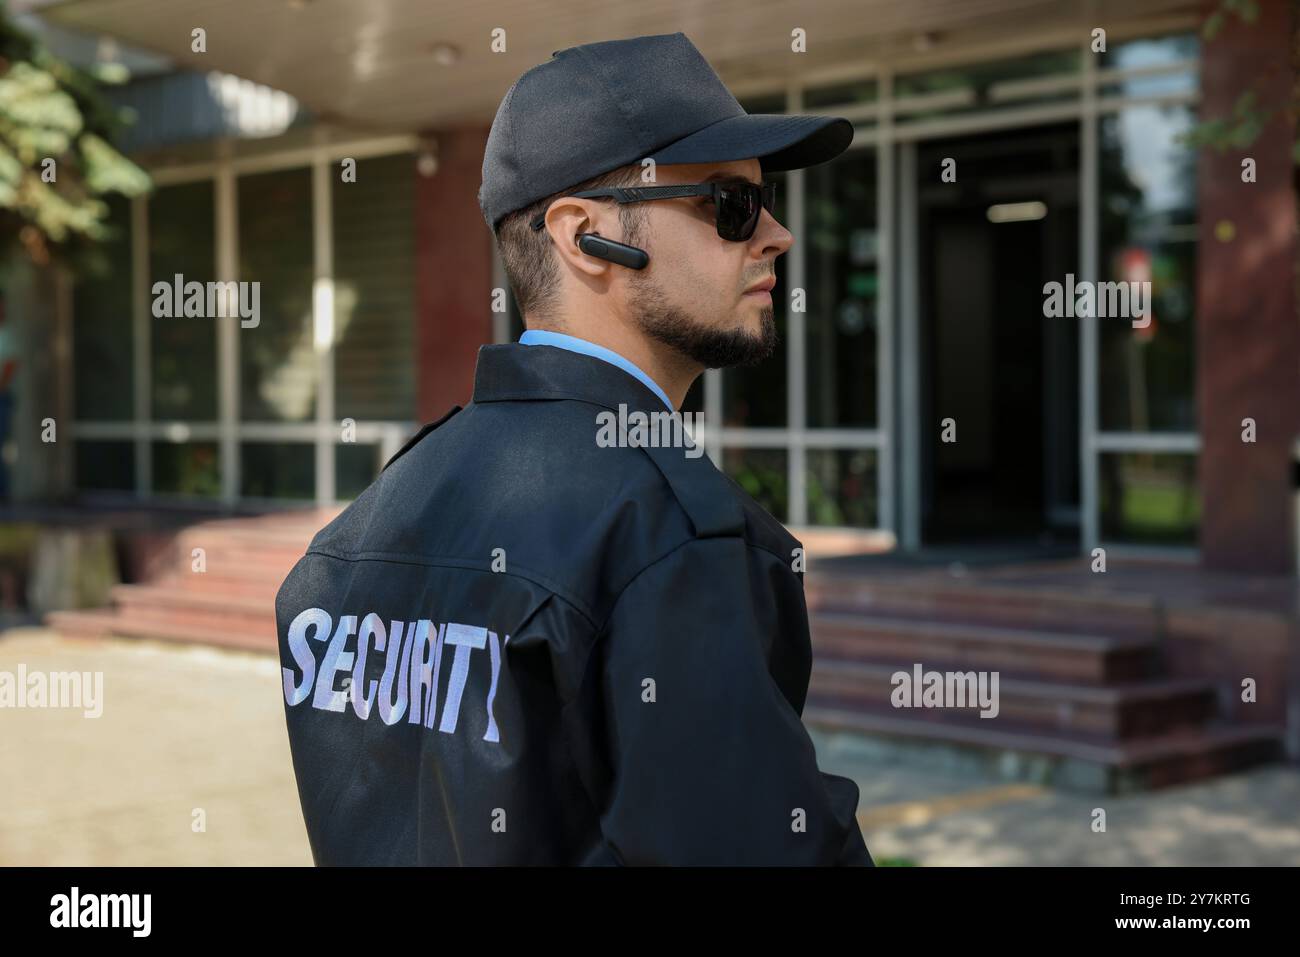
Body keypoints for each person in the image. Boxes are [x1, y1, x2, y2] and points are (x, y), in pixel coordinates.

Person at [276, 31, 873, 866]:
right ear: (585, 234)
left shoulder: (354, 537)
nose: (776, 234)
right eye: (729, 205)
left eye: (765, 200)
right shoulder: (665, 536)